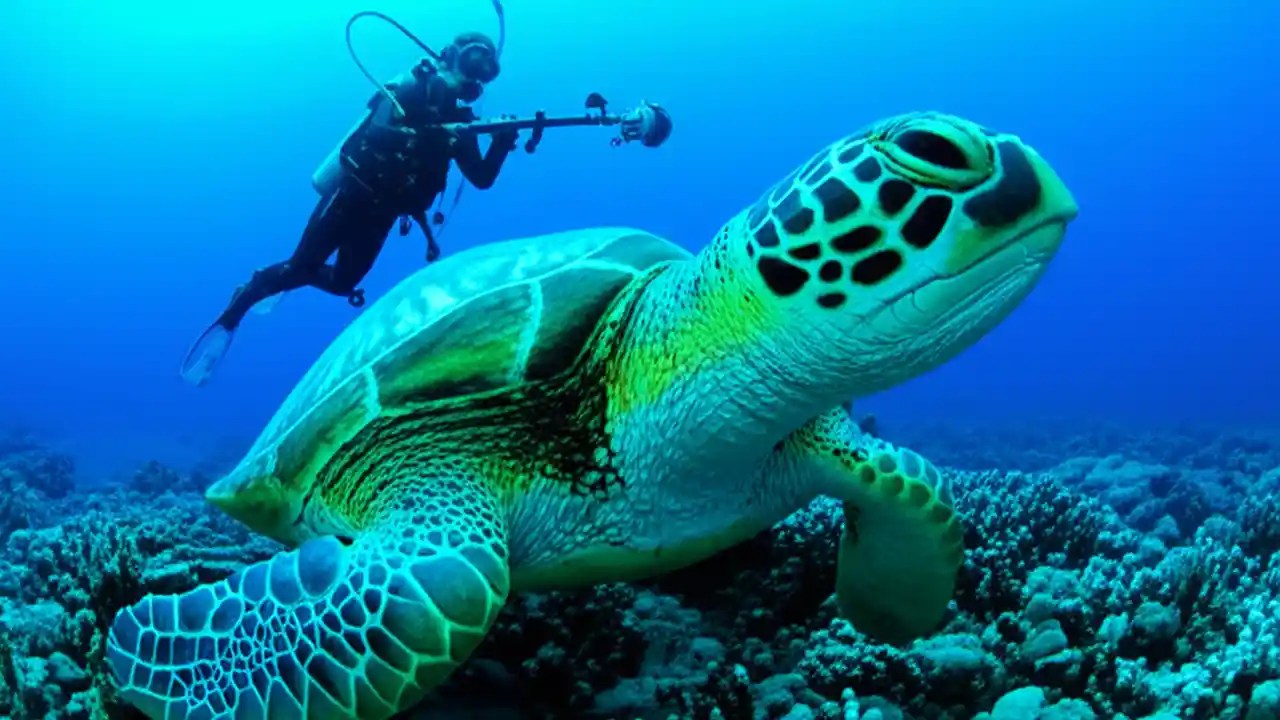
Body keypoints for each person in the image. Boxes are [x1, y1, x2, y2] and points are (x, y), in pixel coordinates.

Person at [180, 32, 518, 387]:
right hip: (351, 197)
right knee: (301, 267)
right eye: (472, 60)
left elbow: (481, 178)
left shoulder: (462, 124)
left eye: (484, 69)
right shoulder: (409, 88)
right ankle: (246, 299)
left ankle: (282, 278)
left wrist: (502, 143)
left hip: (384, 214)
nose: (473, 75)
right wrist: (425, 134)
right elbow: (374, 134)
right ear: (450, 56)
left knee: (343, 283)